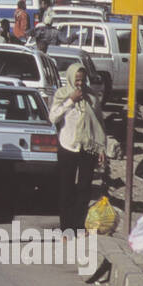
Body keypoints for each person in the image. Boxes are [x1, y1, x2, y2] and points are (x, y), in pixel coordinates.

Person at [48, 63, 108, 233]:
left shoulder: (92, 97)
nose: (80, 83)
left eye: (82, 80)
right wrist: (70, 101)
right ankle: (66, 227)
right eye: (77, 80)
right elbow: (53, 117)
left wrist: (102, 147)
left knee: (84, 188)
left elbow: (99, 123)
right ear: (70, 78)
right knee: (66, 188)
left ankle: (78, 225)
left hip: (87, 148)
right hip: (68, 145)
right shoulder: (62, 94)